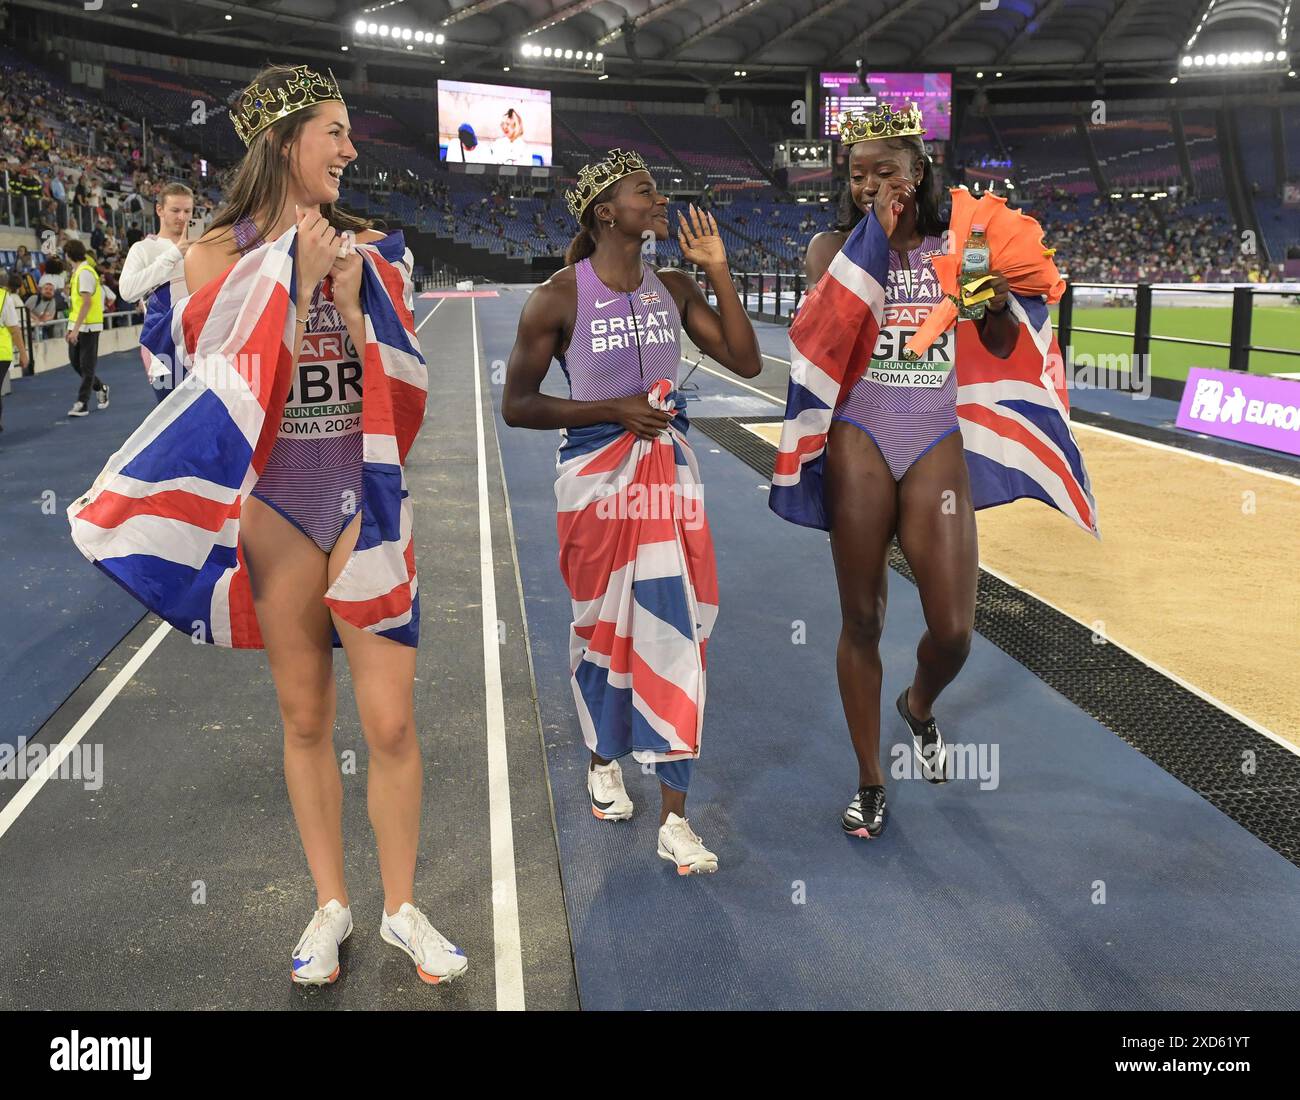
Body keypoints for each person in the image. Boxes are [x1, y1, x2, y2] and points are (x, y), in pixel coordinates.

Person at [71, 63, 460, 989]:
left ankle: (402, 906)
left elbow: (401, 398)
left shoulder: (374, 248)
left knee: (394, 720)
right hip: (280, 505)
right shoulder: (210, 256)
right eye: (334, 129)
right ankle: (333, 905)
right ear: (288, 141)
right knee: (304, 715)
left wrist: (361, 305)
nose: (350, 147)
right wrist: (291, 281)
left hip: (362, 493)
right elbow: (235, 400)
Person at [777, 104, 1094, 838]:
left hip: (933, 433)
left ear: (917, 171)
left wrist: (990, 296)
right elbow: (832, 323)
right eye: (856, 174)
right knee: (864, 617)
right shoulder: (832, 248)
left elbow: (1001, 336)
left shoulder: (964, 245)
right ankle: (869, 779)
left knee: (953, 630)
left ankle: (916, 706)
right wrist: (875, 237)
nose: (868, 184)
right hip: (859, 432)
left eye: (884, 170)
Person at [502, 148, 762, 874]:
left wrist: (716, 271)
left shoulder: (673, 286)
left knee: (680, 628)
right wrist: (612, 407)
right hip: (593, 480)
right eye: (646, 191)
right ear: (606, 211)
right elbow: (517, 404)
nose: (660, 199)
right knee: (599, 630)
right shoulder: (557, 297)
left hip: (667, 481)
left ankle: (676, 819)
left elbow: (745, 360)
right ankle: (603, 758)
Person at [119, 181, 194, 401]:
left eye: (188, 211)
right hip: (163, 349)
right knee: (172, 419)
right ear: (159, 210)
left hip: (202, 346)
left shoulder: (202, 247)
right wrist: (173, 255)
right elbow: (127, 291)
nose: (182, 217)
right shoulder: (144, 249)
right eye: (175, 210)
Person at [63, 239, 109, 417]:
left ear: (68, 255)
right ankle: (100, 387)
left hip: (89, 327)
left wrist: (75, 329)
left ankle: (82, 403)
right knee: (76, 363)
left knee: (86, 366)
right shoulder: (78, 272)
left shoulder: (84, 273)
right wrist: (72, 327)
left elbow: (86, 303)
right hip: (79, 325)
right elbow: (76, 305)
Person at [0, 272, 31, 430]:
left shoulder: (5, 298)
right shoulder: (5, 298)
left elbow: (14, 330)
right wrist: (23, 353)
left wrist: (23, 353)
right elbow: (14, 330)